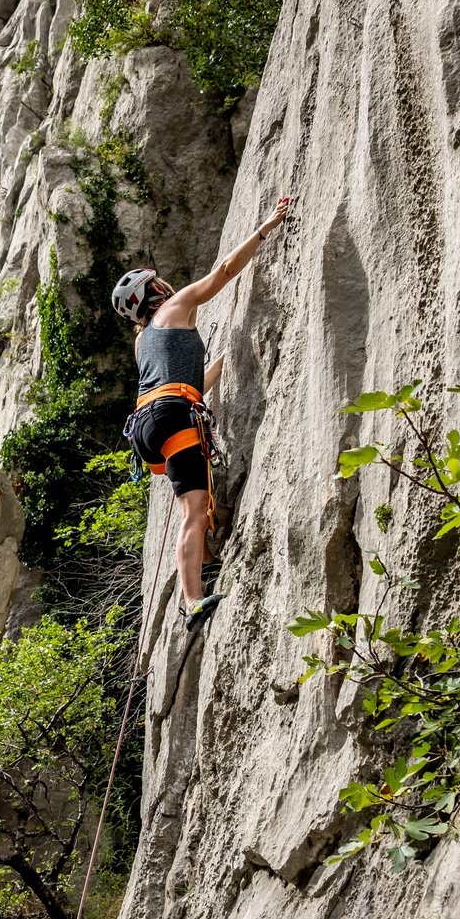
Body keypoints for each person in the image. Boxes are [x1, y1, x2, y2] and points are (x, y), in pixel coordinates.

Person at [110, 197, 290, 631]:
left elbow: (183, 383)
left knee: (193, 502)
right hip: (173, 413)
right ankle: (193, 599)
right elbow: (225, 271)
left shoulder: (142, 343)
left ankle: (206, 561)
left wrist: (223, 364)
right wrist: (265, 227)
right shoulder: (178, 305)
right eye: (159, 281)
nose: (167, 282)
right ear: (154, 293)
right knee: (193, 510)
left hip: (148, 426)